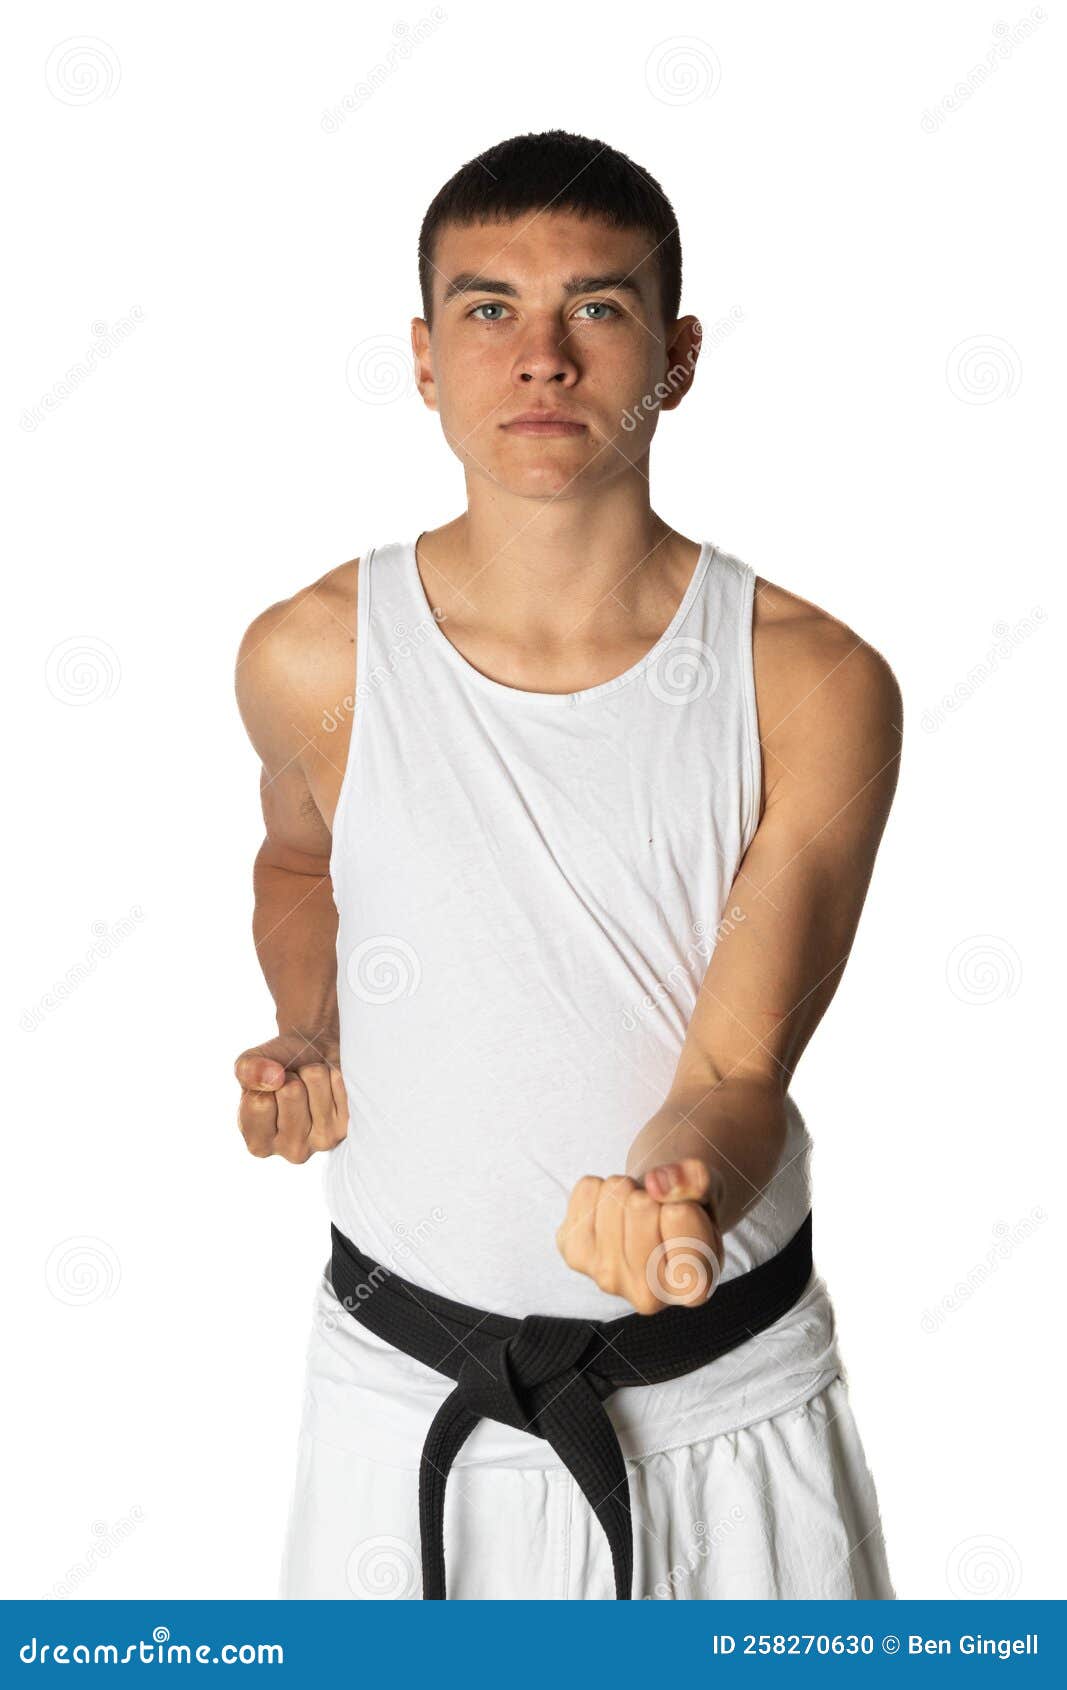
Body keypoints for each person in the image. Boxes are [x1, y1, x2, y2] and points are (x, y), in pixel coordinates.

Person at [234, 129, 901, 1601]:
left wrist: (680, 1183)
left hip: (722, 1413)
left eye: (596, 309)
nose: (540, 357)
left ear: (677, 355)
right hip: (399, 1409)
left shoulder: (811, 678)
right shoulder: (310, 655)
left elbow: (741, 1059)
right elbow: (299, 867)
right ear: (423, 357)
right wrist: (311, 1025)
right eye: (489, 310)